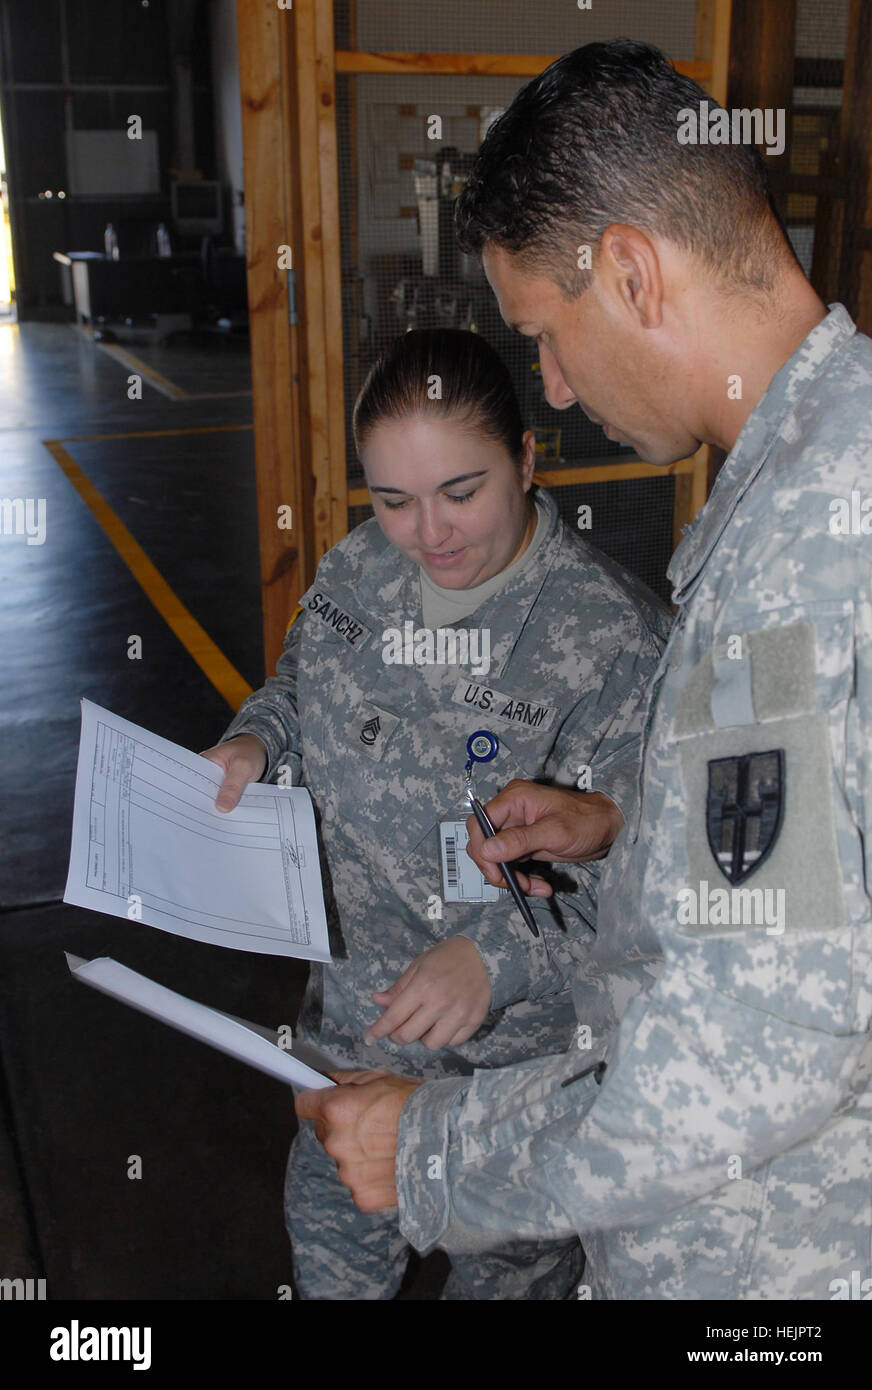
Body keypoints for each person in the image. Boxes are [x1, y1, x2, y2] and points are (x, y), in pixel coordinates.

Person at [297, 39, 872, 1301]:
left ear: (629, 271)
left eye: (543, 336)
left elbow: (752, 1054)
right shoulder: (832, 468)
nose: (549, 387)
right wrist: (627, 823)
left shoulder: (792, 569)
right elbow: (813, 876)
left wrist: (433, 1146)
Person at [202, 326, 669, 1299]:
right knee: (329, 1264)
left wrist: (491, 957)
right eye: (395, 499)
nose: (428, 534)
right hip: (357, 1031)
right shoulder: (356, 573)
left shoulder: (613, 639)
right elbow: (295, 685)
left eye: (462, 490)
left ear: (528, 459)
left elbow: (654, 876)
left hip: (513, 1074)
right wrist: (257, 740)